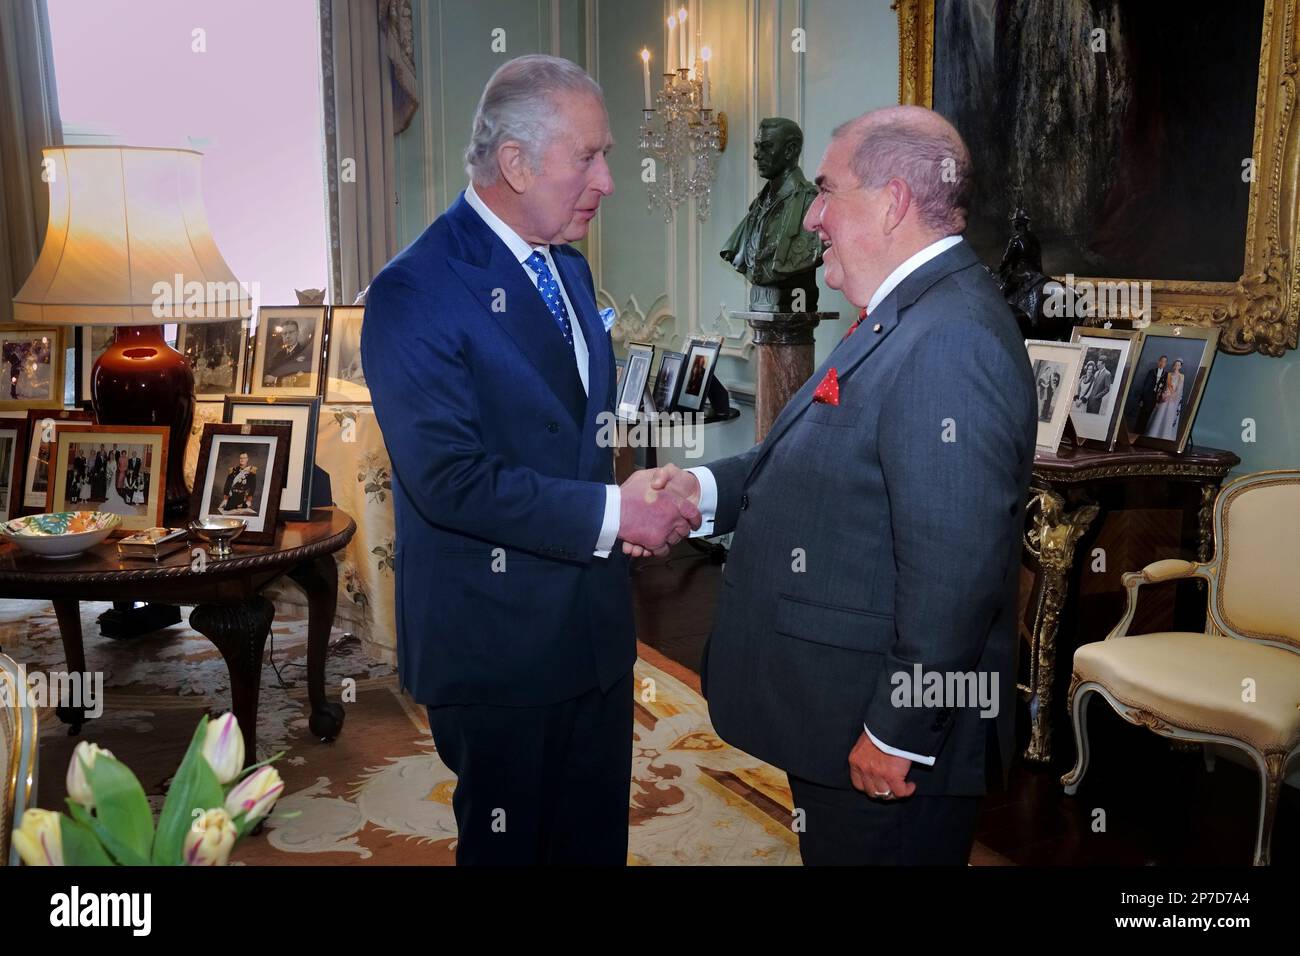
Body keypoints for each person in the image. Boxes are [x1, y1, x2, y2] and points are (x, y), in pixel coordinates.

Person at [643, 105, 1036, 865]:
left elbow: (956, 573)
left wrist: (897, 731)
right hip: (836, 707)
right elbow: (806, 455)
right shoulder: (901, 317)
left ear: (891, 203)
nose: (814, 215)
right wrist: (696, 492)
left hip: (884, 734)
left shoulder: (949, 340)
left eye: (827, 191)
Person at [361, 55, 700, 866]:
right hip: (498, 646)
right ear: (514, 162)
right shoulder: (414, 290)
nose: (609, 180)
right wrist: (620, 512)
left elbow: (572, 436)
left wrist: (628, 498)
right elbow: (451, 481)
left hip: (592, 632)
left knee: (591, 848)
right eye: (589, 156)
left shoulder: (569, 268)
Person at [1144, 358, 1184, 440]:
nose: (1177, 366)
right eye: (1175, 364)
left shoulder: (1181, 376)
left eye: (1178, 365)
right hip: (1164, 397)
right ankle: (1154, 434)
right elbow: (1164, 386)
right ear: (1173, 365)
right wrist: (1163, 394)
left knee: (1167, 416)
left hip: (1172, 399)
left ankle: (1164, 436)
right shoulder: (1169, 374)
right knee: (1159, 414)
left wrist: (1171, 396)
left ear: (1180, 367)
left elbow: (1179, 390)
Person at [263, 320, 312, 385]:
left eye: (291, 332)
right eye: (284, 333)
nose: (287, 336)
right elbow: (267, 377)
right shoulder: (278, 355)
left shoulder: (306, 352)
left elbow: (304, 379)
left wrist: (276, 380)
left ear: (297, 333)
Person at [1131, 355, 1168, 434]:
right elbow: (1145, 385)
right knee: (1141, 414)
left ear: (1165, 364)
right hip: (1147, 396)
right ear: (1158, 362)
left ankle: (1142, 433)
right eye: (1161, 361)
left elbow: (1164, 388)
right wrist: (1141, 399)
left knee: (1148, 416)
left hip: (1155, 398)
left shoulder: (1166, 375)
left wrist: (1159, 400)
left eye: (1164, 362)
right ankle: (1136, 431)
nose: (1162, 363)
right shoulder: (1152, 372)